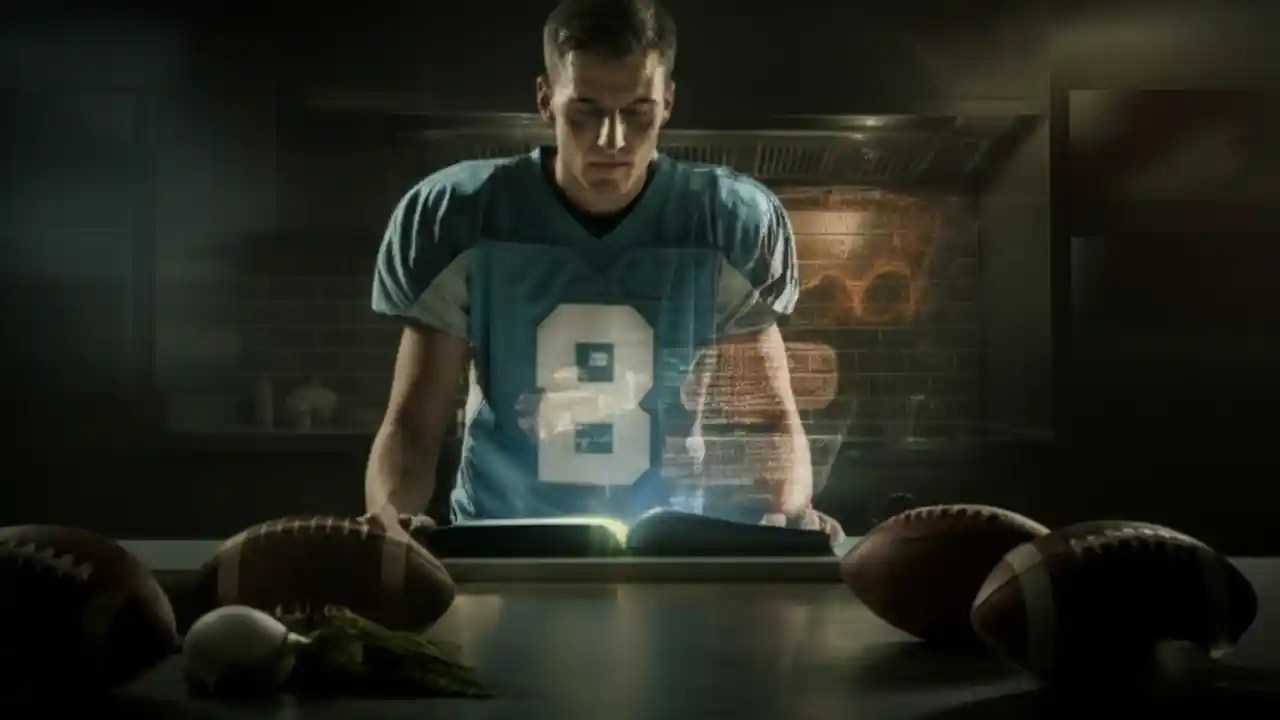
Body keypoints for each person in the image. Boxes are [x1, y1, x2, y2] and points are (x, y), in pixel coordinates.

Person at [362, 0, 842, 543]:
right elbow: (414, 424)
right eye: (585, 109)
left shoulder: (725, 221)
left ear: (667, 102)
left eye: (637, 110)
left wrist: (789, 509)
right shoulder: (461, 214)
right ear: (545, 100)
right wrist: (391, 522)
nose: (612, 139)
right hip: (500, 539)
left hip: (670, 547)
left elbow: (768, 421)